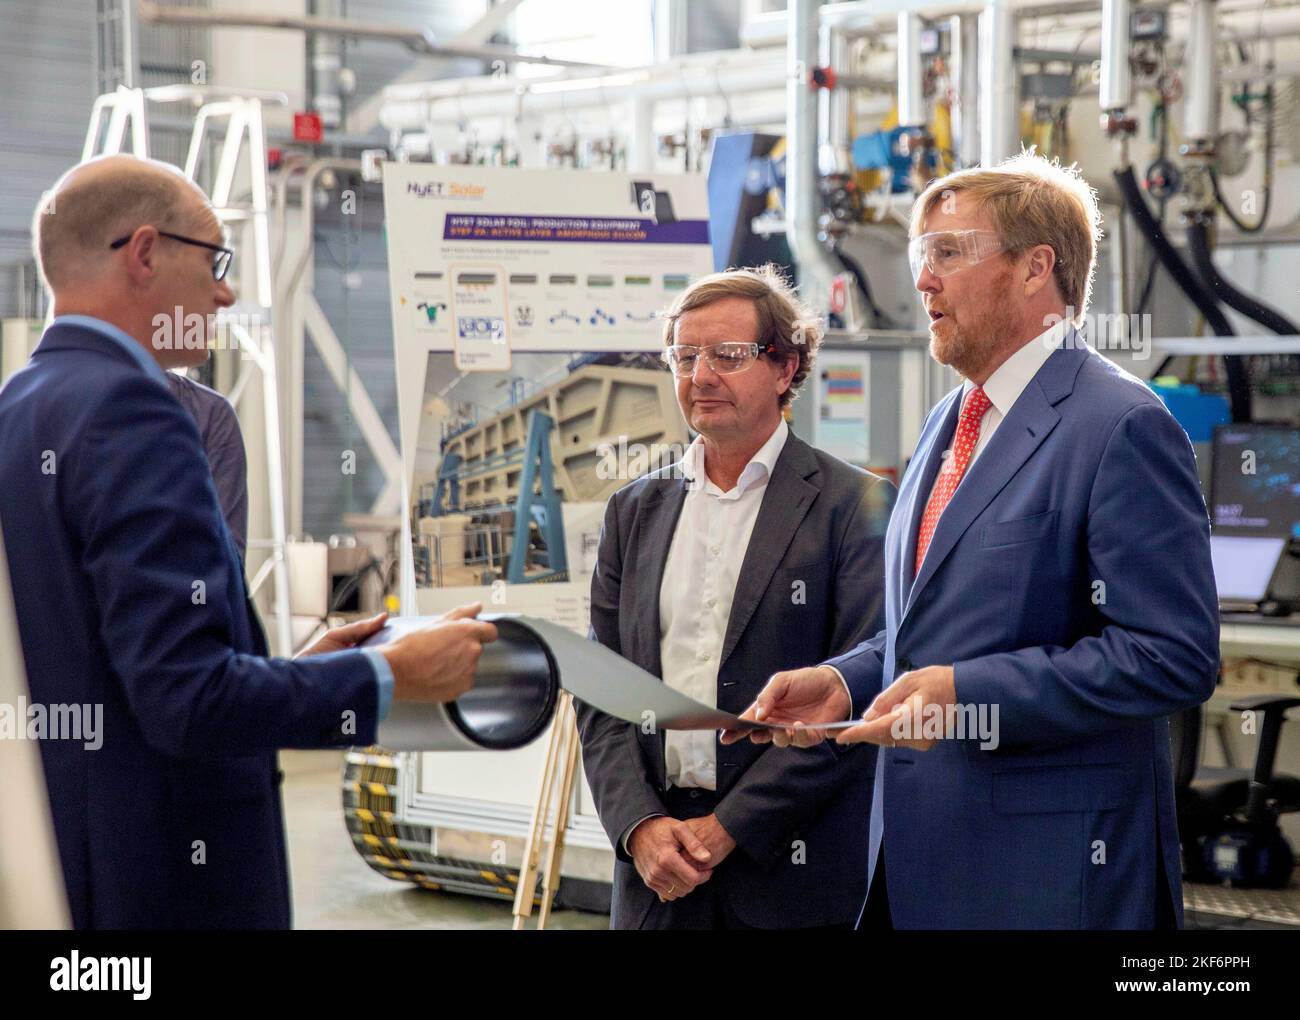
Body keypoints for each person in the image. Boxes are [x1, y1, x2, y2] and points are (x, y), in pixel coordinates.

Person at [0, 154, 497, 929]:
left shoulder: (23, 404)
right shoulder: (135, 410)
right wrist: (387, 677)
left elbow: (125, 670)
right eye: (215, 260)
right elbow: (188, 705)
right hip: (167, 883)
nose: (227, 292)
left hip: (82, 871)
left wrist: (282, 675)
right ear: (143, 253)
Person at [725, 153, 1219, 930]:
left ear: (1035, 269)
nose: (923, 280)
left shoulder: (1120, 426)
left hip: (1050, 881)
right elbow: (934, 626)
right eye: (923, 256)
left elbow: (1172, 657)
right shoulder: (948, 423)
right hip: (916, 862)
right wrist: (849, 680)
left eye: (949, 253)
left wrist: (965, 696)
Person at [577, 266, 894, 929]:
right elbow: (602, 690)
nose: (700, 376)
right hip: (655, 873)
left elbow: (860, 689)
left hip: (788, 869)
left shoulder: (854, 505)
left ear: (786, 367)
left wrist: (728, 828)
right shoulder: (632, 510)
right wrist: (638, 826)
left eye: (727, 356)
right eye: (684, 356)